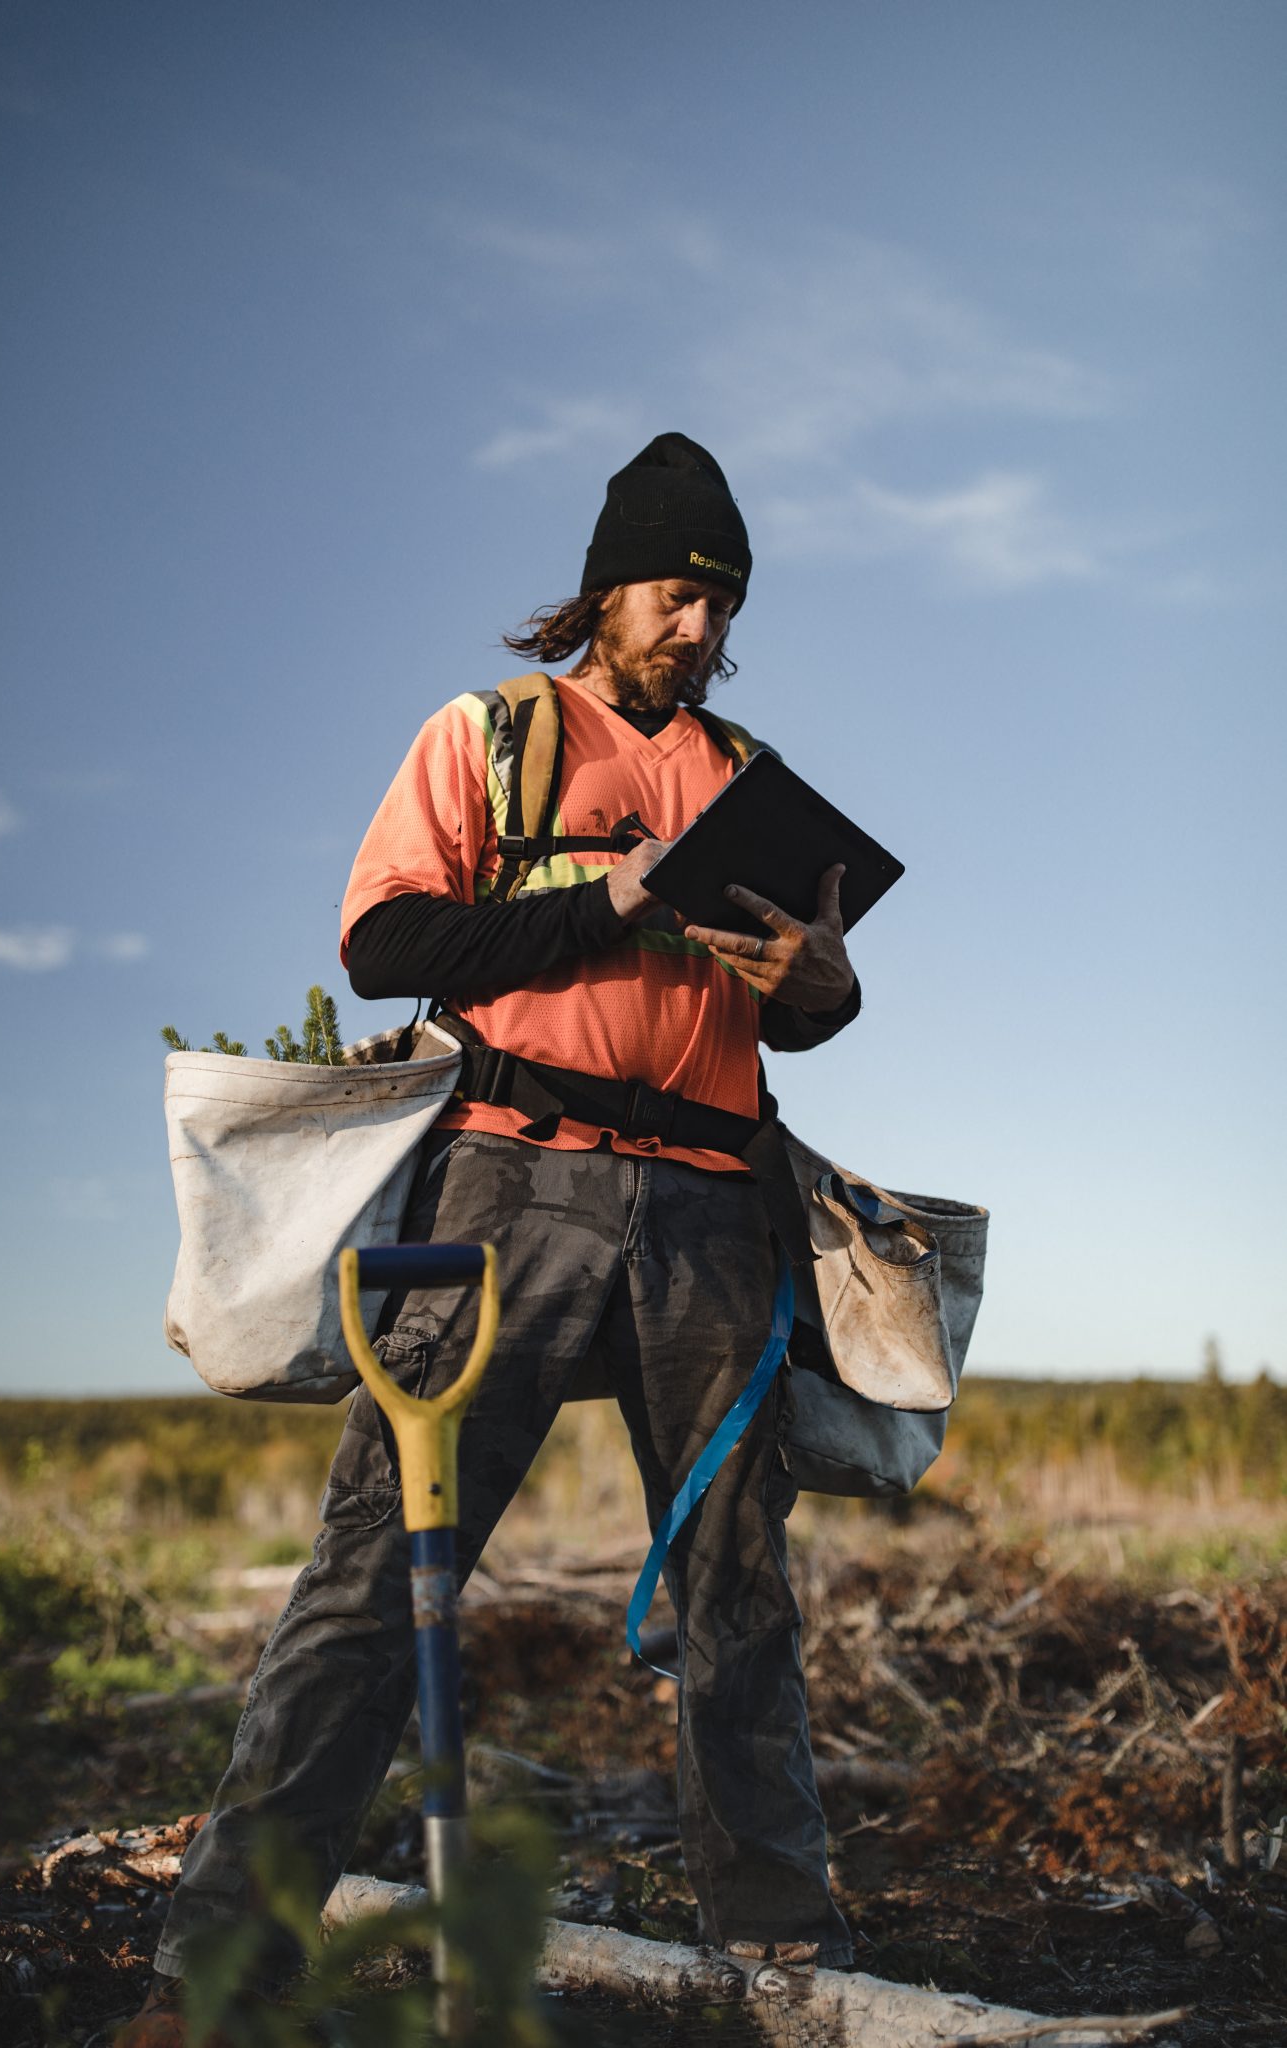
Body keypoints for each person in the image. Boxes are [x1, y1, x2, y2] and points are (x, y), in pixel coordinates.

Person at [121, 432, 862, 2043]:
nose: (697, 622)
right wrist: (611, 898)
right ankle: (217, 1972)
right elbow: (387, 940)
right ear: (607, 586)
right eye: (675, 589)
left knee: (738, 1590)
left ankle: (784, 1965)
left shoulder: (747, 773)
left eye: (722, 600)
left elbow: (803, 1003)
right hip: (505, 1186)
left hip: (713, 1208)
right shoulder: (490, 736)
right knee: (384, 1572)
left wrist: (822, 985)